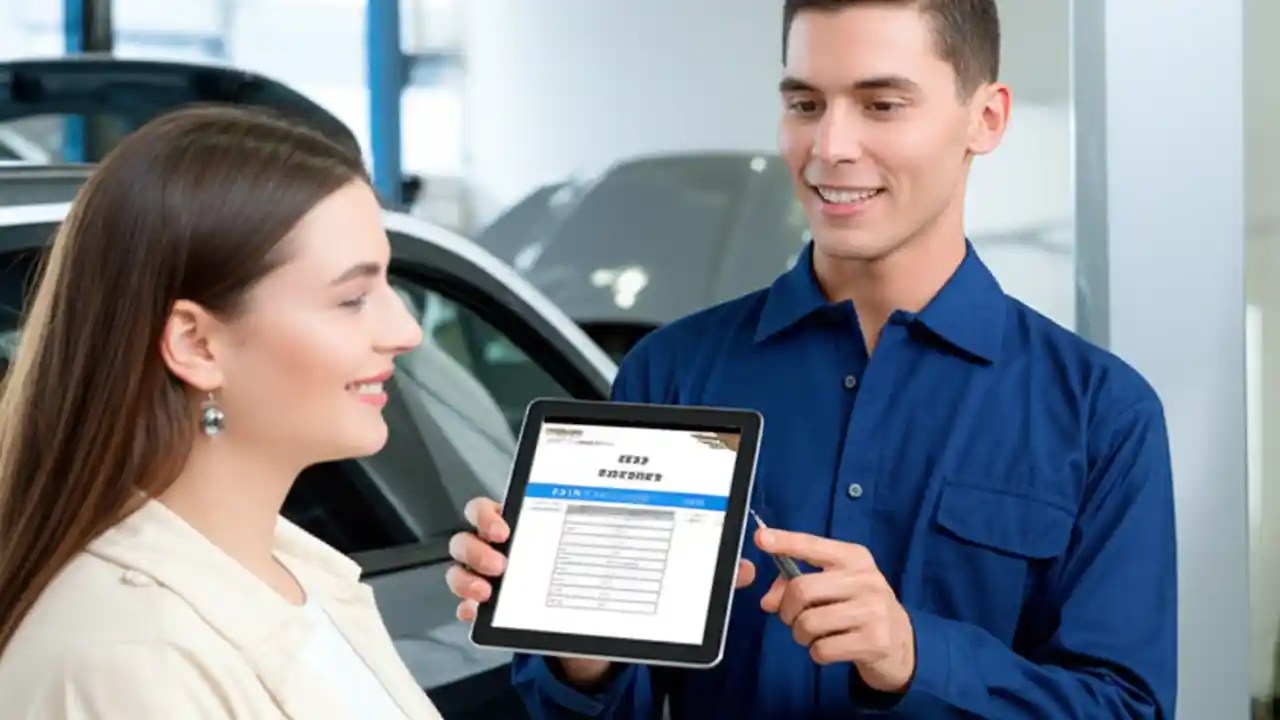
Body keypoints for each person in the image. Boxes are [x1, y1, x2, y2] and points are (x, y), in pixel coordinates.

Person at [448, 0, 1179, 717]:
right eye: (805, 104)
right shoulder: (671, 374)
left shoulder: (1100, 414)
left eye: (882, 105)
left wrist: (916, 657)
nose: (830, 146)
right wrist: (578, 650)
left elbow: (1126, 708)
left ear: (985, 118)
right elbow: (605, 701)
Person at [0, 106, 444, 719]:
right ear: (197, 345)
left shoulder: (293, 576)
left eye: (387, 286)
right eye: (352, 299)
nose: (406, 332)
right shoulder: (132, 662)